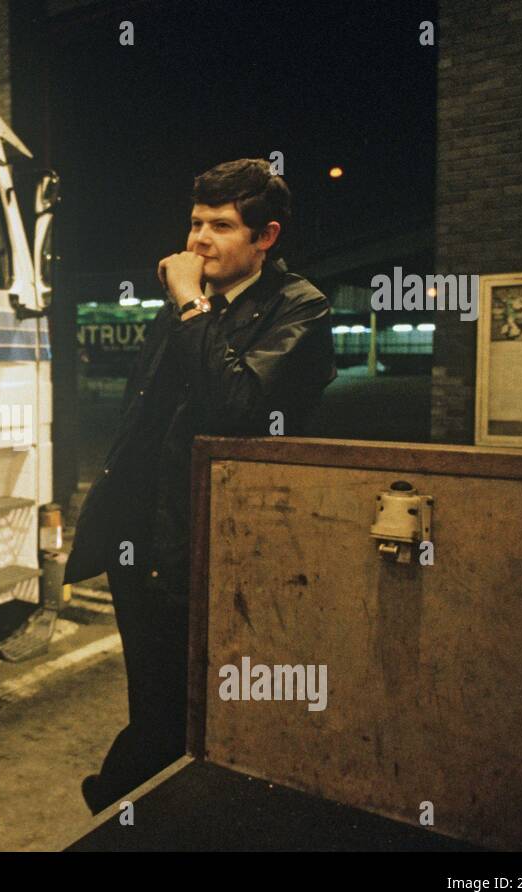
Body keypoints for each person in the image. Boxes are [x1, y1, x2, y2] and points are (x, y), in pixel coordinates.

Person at [65, 158, 337, 813]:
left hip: (223, 550)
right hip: (146, 545)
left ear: (266, 237)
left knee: (205, 713)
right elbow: (146, 407)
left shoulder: (300, 308)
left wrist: (191, 304)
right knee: (157, 702)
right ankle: (131, 801)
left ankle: (119, 800)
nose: (199, 241)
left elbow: (238, 410)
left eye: (220, 225)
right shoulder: (189, 304)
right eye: (194, 223)